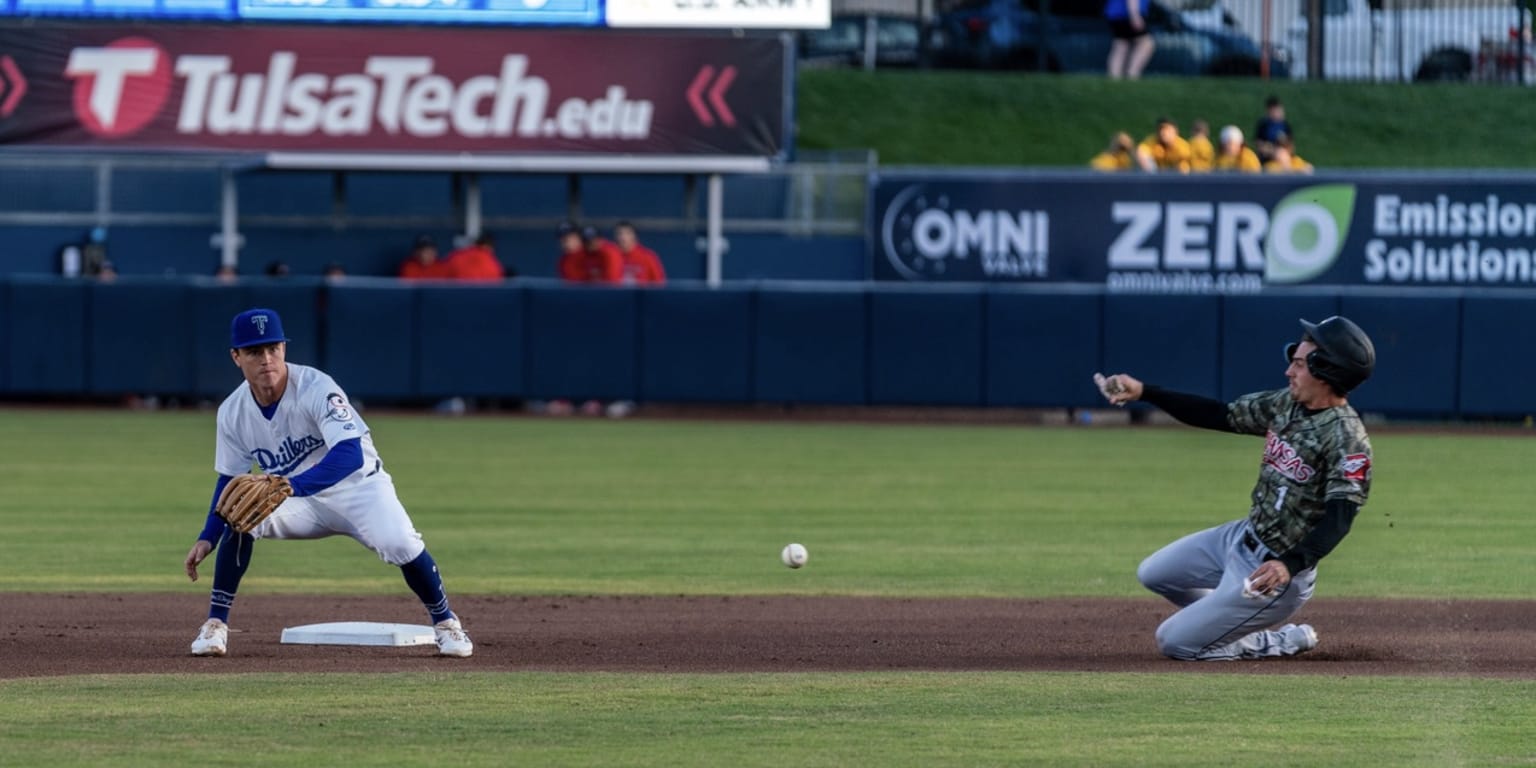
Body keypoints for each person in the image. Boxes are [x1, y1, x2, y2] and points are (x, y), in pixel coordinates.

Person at [183, 308, 473, 658]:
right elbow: (229, 480)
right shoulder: (232, 411)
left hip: (359, 489)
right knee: (241, 515)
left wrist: (292, 485)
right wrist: (208, 535)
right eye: (254, 351)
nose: (267, 359)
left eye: (273, 348)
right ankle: (215, 626)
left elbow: (350, 454)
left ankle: (446, 623)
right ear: (236, 357)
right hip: (298, 500)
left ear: (284, 349)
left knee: (400, 543)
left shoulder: (316, 387)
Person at [1093, 316, 1375, 661]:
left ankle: (1276, 641)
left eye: (1299, 364)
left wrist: (1289, 564)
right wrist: (1145, 392)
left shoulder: (1348, 438)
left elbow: (1340, 517)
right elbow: (1218, 414)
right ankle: (1225, 620)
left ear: (1326, 371)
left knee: (1175, 642)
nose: (1289, 372)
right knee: (1154, 573)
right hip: (1239, 539)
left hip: (1274, 574)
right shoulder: (1286, 405)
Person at [556, 222, 621, 283]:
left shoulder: (607, 252)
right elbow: (572, 282)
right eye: (563, 239)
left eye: (570, 238)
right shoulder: (566, 260)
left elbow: (612, 282)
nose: (566, 243)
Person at [1105, 0, 1155, 80]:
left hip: (1115, 13)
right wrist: (1134, 15)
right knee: (1146, 43)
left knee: (1121, 46)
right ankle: (1132, 74)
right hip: (1127, 14)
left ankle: (1114, 79)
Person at [613, 221, 667, 286]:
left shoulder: (648, 256)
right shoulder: (611, 257)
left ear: (634, 236)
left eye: (628, 233)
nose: (623, 237)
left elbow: (660, 283)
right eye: (619, 234)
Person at [1252, 95, 1293, 163]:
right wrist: (1272, 150)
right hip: (1267, 160)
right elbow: (1259, 145)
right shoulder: (1263, 125)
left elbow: (1291, 147)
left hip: (1284, 157)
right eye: (1274, 110)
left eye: (1278, 110)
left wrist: (1284, 143)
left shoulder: (1285, 125)